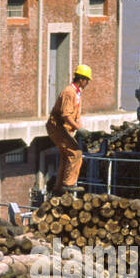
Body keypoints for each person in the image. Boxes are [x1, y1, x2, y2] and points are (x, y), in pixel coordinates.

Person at [46, 64, 91, 194]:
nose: (87, 83)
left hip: (62, 129)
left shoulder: (77, 93)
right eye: (87, 80)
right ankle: (68, 184)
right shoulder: (69, 92)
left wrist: (81, 130)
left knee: (66, 156)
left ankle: (58, 188)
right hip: (57, 127)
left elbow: (76, 116)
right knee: (76, 153)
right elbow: (65, 115)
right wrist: (79, 129)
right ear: (81, 79)